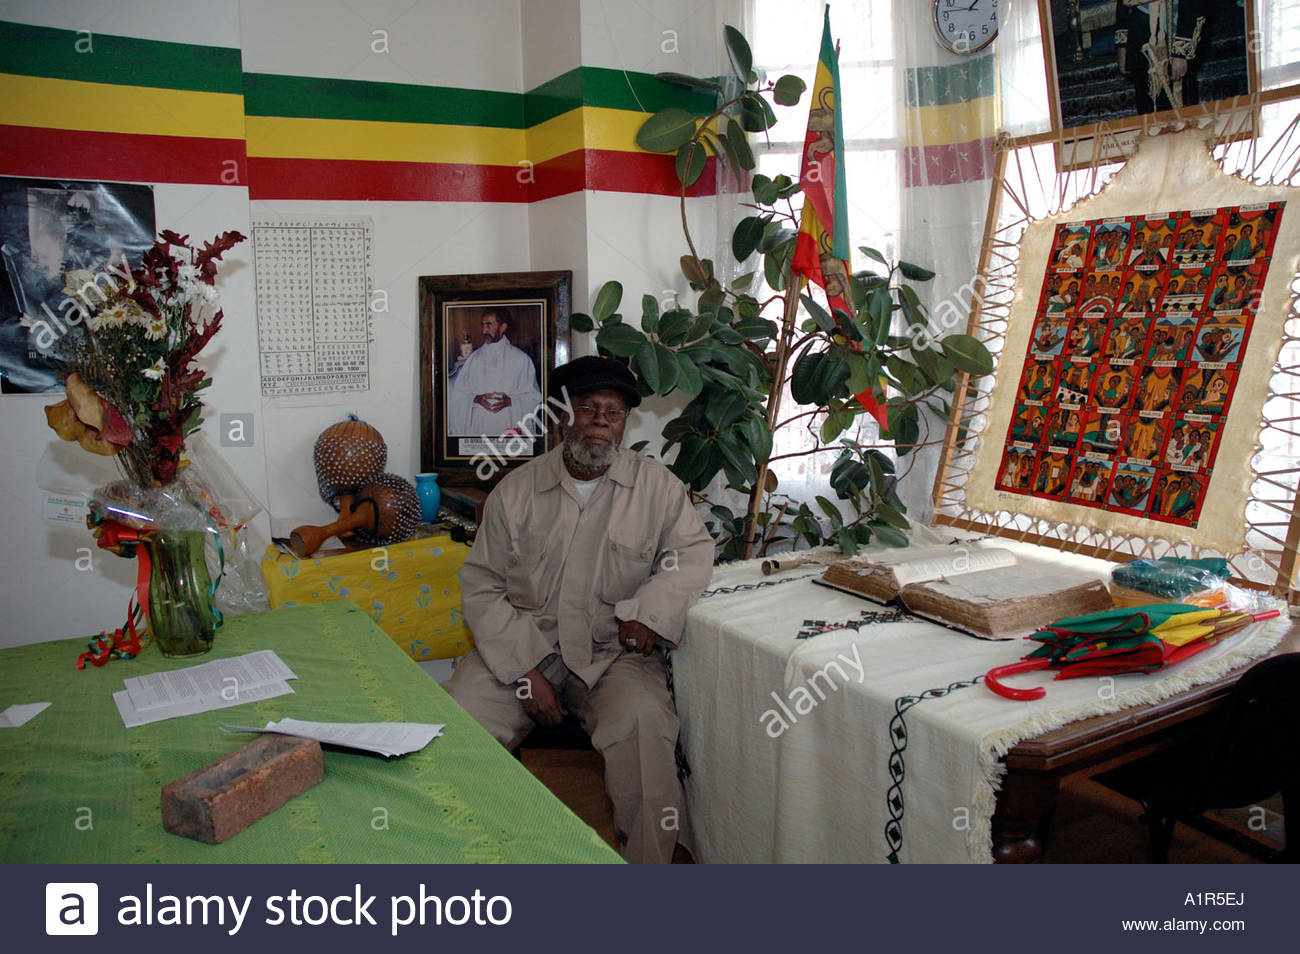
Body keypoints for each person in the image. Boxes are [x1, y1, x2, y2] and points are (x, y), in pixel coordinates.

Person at [446, 355, 714, 864]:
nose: (600, 423)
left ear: (625, 424)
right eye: (588, 409)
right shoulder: (514, 492)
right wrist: (524, 671)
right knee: (457, 725)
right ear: (562, 415)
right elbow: (482, 586)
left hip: (614, 655)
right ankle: (465, 865)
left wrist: (650, 610)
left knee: (644, 731)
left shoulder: (657, 489)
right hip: (524, 650)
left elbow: (692, 556)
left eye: (613, 414)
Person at [447, 308, 543, 436]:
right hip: (479, 427)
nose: (483, 330)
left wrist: (511, 401)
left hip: (509, 425)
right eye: (482, 325)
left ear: (503, 327)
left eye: (489, 324)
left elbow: (533, 397)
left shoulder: (521, 359)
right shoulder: (474, 359)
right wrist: (476, 398)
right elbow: (458, 395)